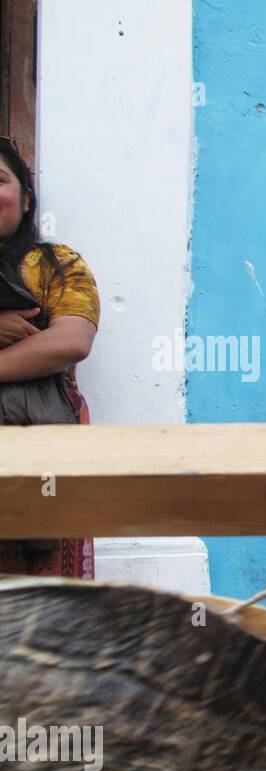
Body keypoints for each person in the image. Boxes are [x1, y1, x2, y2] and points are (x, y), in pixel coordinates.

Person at [0, 137, 99, 578]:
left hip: (39, 458)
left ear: (25, 201)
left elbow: (71, 341)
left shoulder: (56, 265)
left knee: (40, 611)